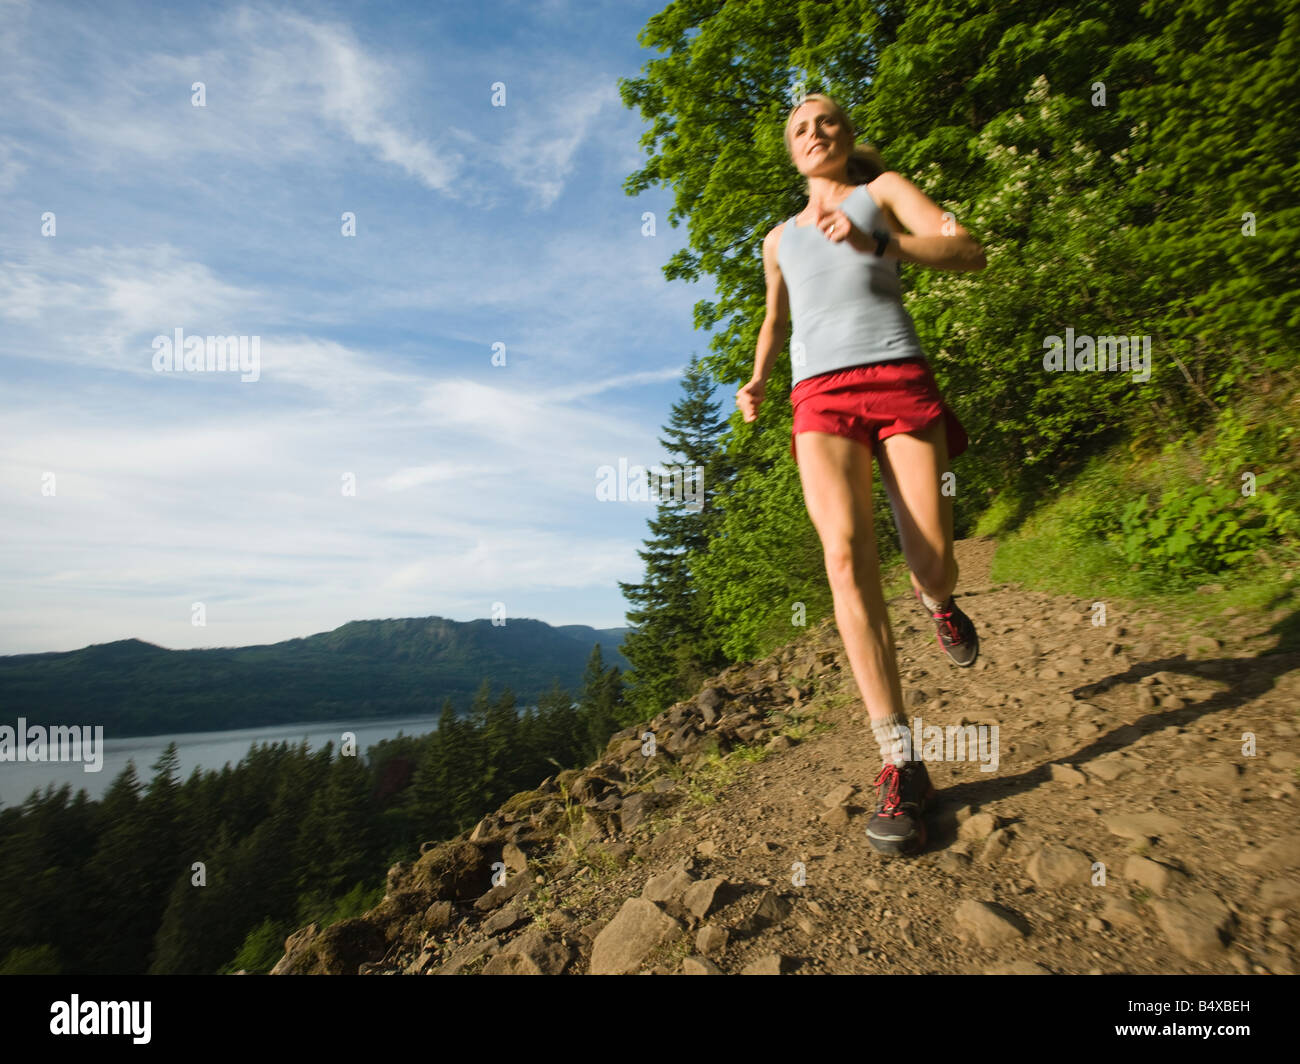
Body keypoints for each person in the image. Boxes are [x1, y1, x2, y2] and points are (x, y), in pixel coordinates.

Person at [735, 93, 987, 856]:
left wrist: (885, 248)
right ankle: (900, 760)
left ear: (846, 137)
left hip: (899, 379)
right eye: (801, 127)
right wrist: (755, 378)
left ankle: (938, 601)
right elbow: (776, 316)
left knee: (930, 560)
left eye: (828, 121)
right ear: (791, 150)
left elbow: (966, 247)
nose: (816, 132)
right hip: (819, 398)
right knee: (843, 558)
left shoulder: (884, 194)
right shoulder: (779, 238)